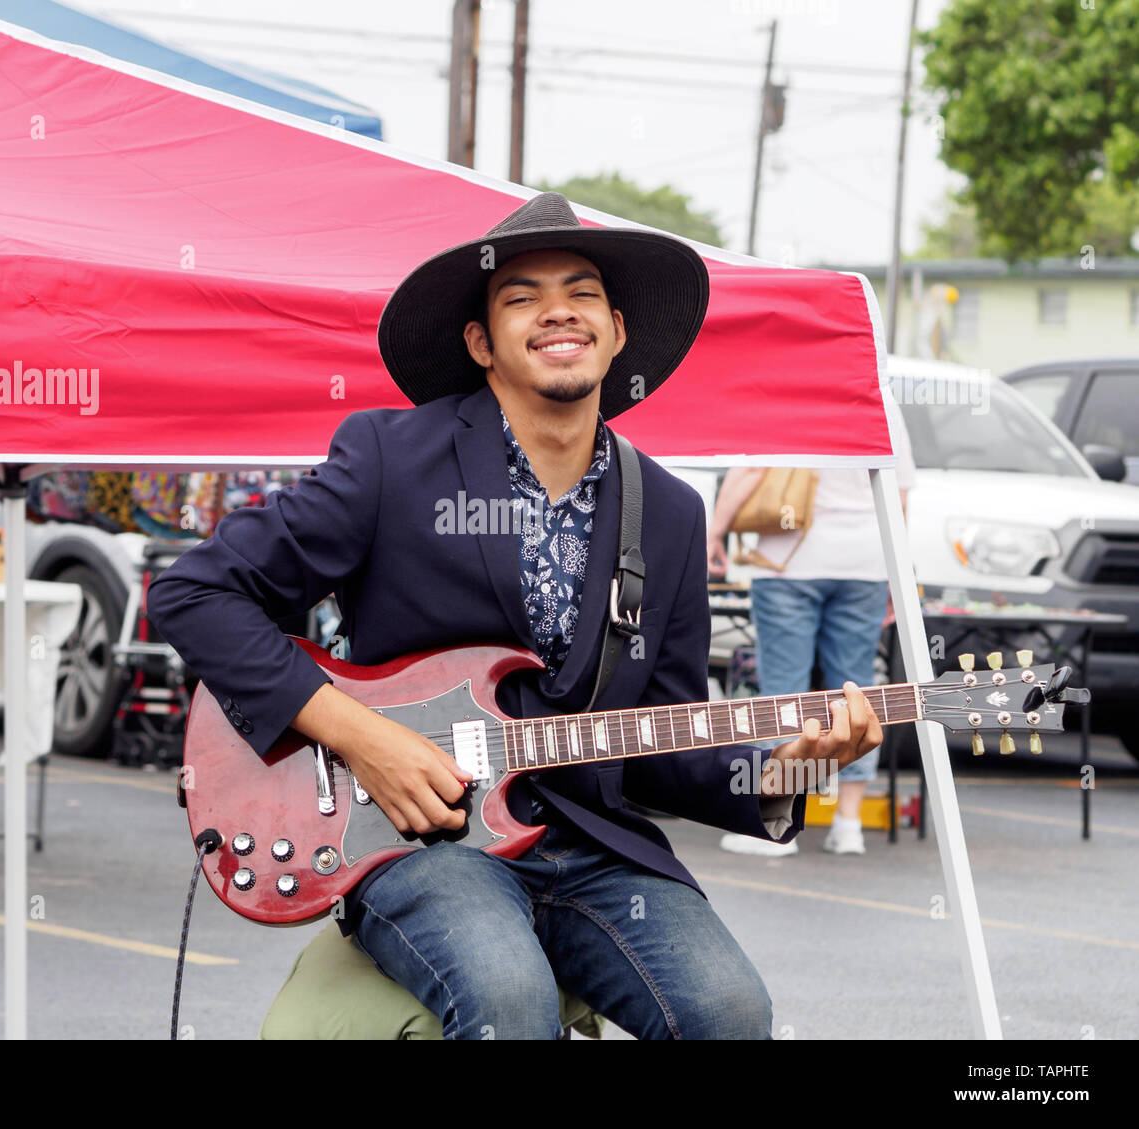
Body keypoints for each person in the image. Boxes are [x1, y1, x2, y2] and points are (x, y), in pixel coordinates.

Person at [146, 192, 883, 1039]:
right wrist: (359, 734)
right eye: (521, 296)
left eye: (580, 292)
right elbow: (195, 592)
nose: (557, 310)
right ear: (481, 342)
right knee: (508, 1000)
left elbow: (656, 738)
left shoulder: (670, 512)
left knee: (731, 1012)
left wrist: (783, 770)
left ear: (615, 328)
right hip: (423, 842)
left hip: (595, 847)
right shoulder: (391, 457)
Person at [708, 393, 914, 856]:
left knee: (785, 692)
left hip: (790, 560)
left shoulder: (785, 393)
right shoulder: (880, 399)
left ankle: (779, 824)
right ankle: (850, 825)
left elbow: (751, 470)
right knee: (858, 690)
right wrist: (896, 573)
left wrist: (714, 532)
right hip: (865, 560)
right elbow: (898, 495)